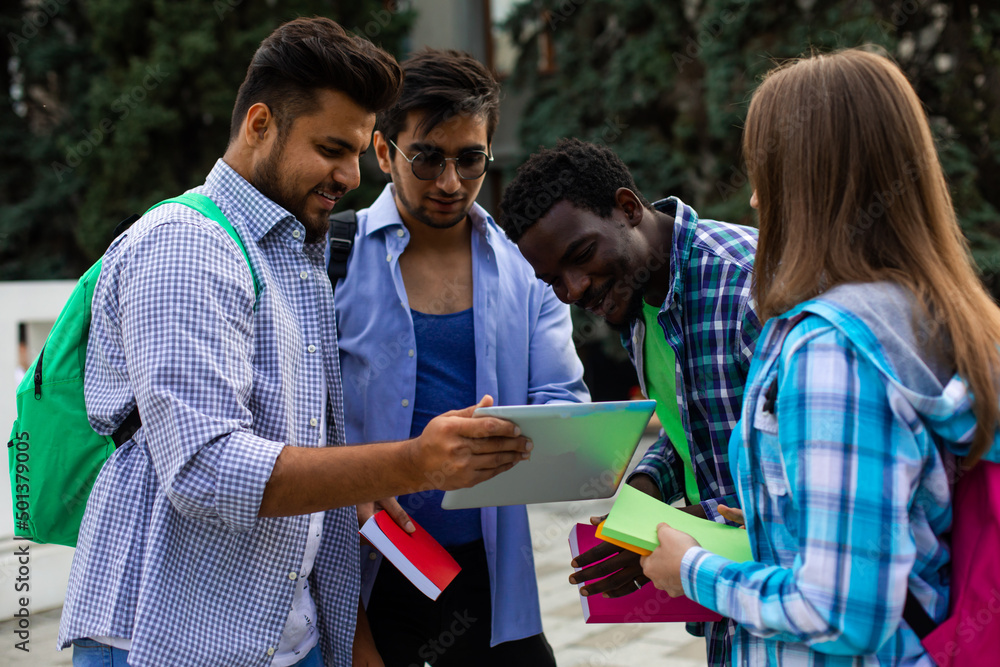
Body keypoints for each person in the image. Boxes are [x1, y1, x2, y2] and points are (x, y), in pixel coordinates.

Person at [57, 19, 531, 667]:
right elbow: (207, 469)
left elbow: (302, 465)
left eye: (360, 152)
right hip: (170, 636)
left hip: (286, 636)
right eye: (332, 148)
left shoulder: (295, 256)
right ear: (259, 125)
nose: (351, 175)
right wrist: (415, 461)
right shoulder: (186, 246)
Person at [639, 48, 1000, 664]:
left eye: (765, 173)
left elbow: (842, 613)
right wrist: (771, 525)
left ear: (808, 184)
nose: (755, 201)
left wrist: (691, 569)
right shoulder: (937, 314)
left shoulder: (832, 347)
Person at [335, 48, 588, 666]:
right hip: (365, 572)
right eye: (426, 158)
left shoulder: (526, 271)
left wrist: (513, 436)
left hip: (492, 576)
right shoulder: (331, 260)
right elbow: (289, 416)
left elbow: (564, 404)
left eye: (469, 159)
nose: (450, 182)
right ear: (383, 150)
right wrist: (355, 485)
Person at [498, 138, 760, 666]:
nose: (574, 290)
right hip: (730, 610)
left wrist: (668, 536)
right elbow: (695, 425)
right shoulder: (638, 298)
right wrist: (644, 490)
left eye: (580, 256)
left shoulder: (748, 285)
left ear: (627, 208)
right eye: (552, 280)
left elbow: (802, 483)